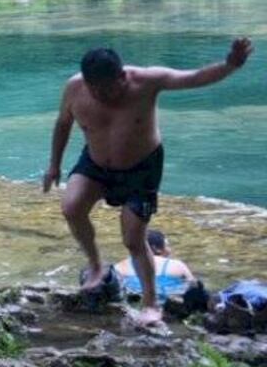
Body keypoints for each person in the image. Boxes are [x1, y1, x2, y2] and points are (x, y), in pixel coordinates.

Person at [44, 38, 252, 325]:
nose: (100, 95)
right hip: (95, 163)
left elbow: (193, 78)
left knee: (132, 238)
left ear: (122, 76)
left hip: (140, 169)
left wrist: (229, 65)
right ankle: (95, 265)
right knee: (71, 207)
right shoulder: (74, 88)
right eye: (95, 89)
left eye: (107, 88)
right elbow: (62, 123)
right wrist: (54, 165)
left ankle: (150, 302)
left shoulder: (147, 81)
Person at [113, 229, 197, 303]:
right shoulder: (177, 265)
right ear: (156, 248)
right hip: (168, 298)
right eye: (167, 245)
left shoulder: (120, 267)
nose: (170, 250)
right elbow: (194, 286)